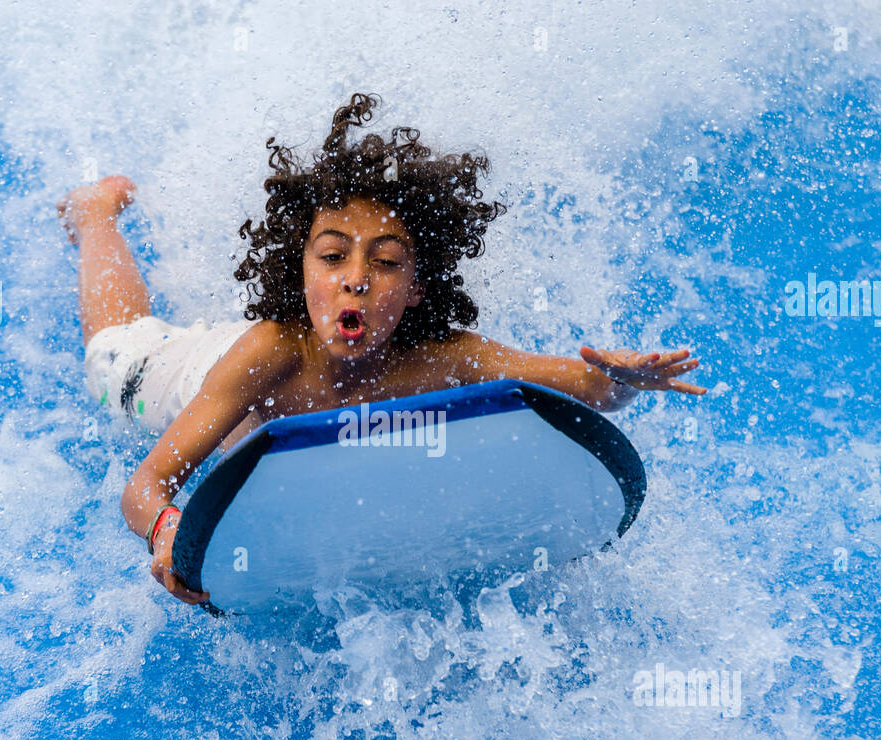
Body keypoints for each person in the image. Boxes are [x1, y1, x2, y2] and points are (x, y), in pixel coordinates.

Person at [57, 93, 706, 604]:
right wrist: (170, 533)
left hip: (266, 399)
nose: (357, 277)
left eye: (387, 262)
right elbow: (145, 486)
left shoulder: (442, 358)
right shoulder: (269, 352)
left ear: (418, 290)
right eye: (333, 255)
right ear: (300, 270)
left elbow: (587, 390)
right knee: (120, 353)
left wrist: (625, 378)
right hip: (184, 375)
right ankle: (94, 217)